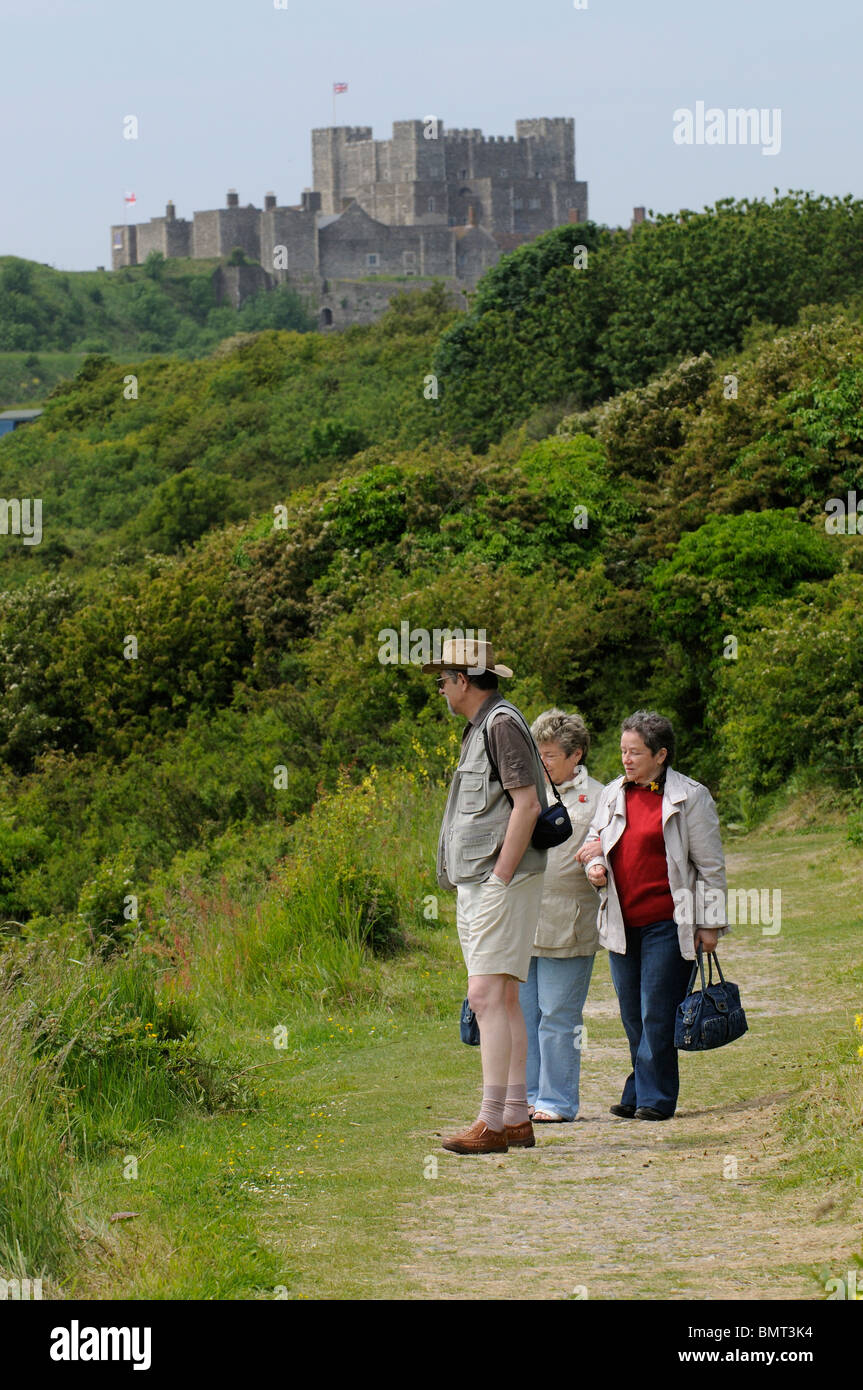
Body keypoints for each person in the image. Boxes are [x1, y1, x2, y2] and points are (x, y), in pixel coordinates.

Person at [423, 637, 548, 1155]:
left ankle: (490, 1122)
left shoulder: (499, 725)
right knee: (504, 998)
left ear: (463, 681)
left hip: (500, 881)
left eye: (442, 680)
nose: (440, 690)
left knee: (485, 997)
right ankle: (516, 1117)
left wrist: (499, 878)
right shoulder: (485, 726)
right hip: (484, 882)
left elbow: (527, 806)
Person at [576, 711, 727, 1121]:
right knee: (631, 1014)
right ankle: (639, 1087)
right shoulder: (612, 793)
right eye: (624, 751)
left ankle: (655, 1099)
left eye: (636, 752)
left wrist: (710, 925)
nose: (626, 759)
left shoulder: (690, 796)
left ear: (660, 754)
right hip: (622, 920)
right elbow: (595, 838)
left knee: (656, 1012)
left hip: (669, 920)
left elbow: (711, 867)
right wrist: (594, 865)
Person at [520, 709, 603, 1123]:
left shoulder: (603, 797)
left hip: (569, 923)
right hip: (521, 921)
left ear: (576, 755)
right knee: (523, 1013)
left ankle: (557, 1101)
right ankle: (528, 1096)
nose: (542, 761)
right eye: (538, 753)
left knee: (557, 1015)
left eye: (550, 755)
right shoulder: (526, 789)